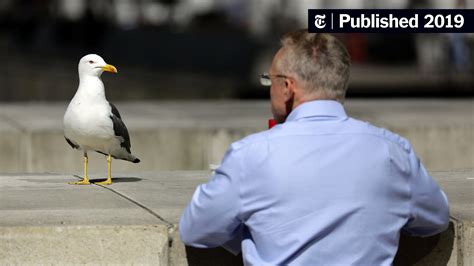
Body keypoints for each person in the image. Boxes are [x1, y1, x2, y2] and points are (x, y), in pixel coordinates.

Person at [179, 30, 449, 265]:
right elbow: (435, 218)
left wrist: (249, 233)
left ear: (287, 88)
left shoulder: (250, 155)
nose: (268, 87)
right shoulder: (392, 152)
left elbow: (196, 229)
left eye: (268, 79)